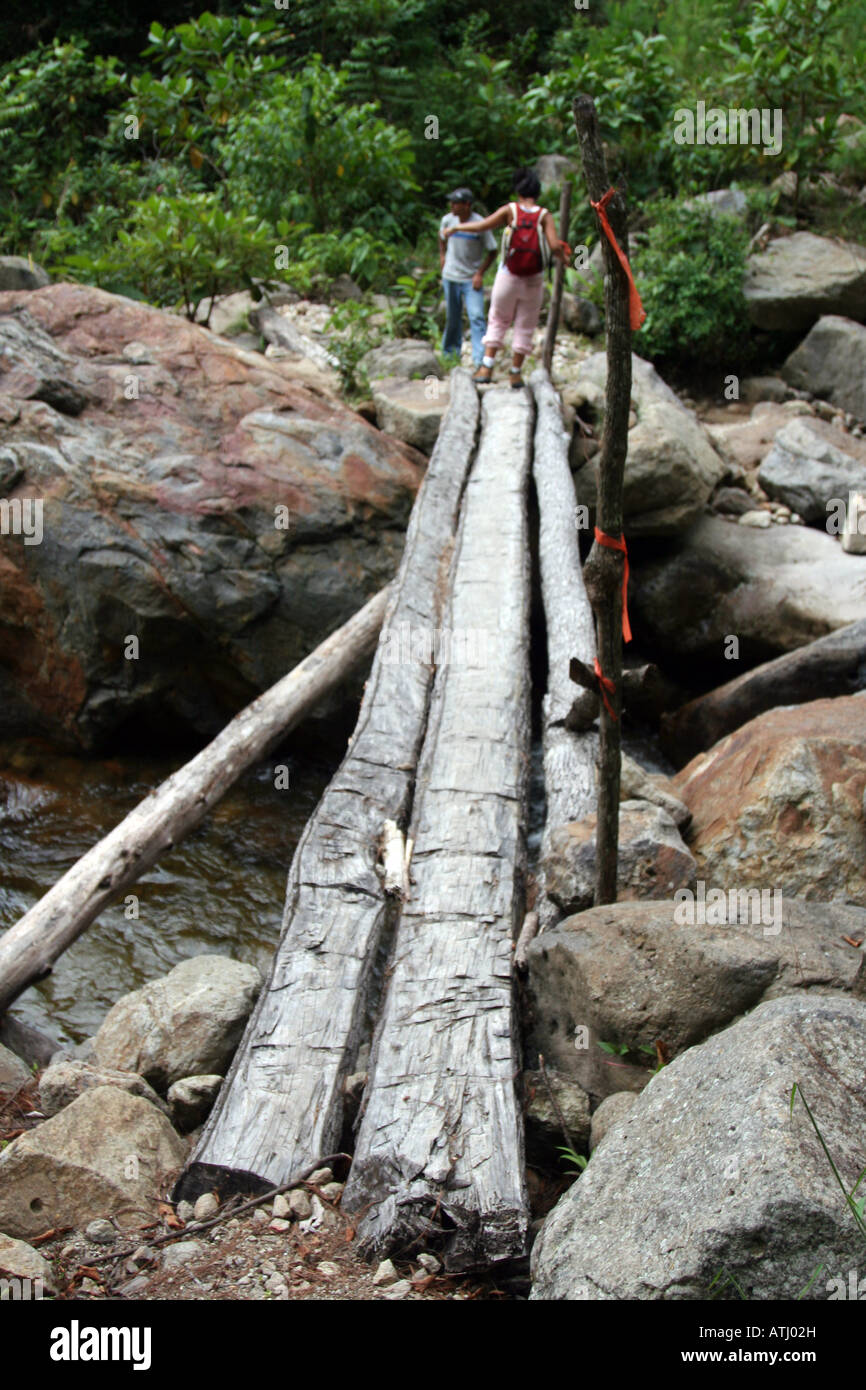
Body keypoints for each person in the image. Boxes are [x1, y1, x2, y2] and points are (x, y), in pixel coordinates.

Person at [442, 168, 572, 388]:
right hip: (534, 279)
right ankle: (515, 372)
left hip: (508, 276)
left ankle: (486, 367)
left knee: (498, 319)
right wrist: (567, 257)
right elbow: (553, 246)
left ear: (518, 190)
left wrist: (456, 228)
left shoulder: (510, 210)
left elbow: (483, 226)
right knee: (526, 324)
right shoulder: (544, 215)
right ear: (537, 192)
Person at [438, 187, 498, 367]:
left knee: (477, 316)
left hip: (471, 279)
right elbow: (441, 237)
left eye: (456, 203)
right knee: (452, 317)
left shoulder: (480, 224)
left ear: (467, 205)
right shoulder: (448, 220)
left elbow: (493, 250)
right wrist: (442, 256)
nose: (452, 206)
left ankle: (480, 359)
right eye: (452, 202)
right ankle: (450, 354)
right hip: (451, 276)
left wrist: (480, 273)